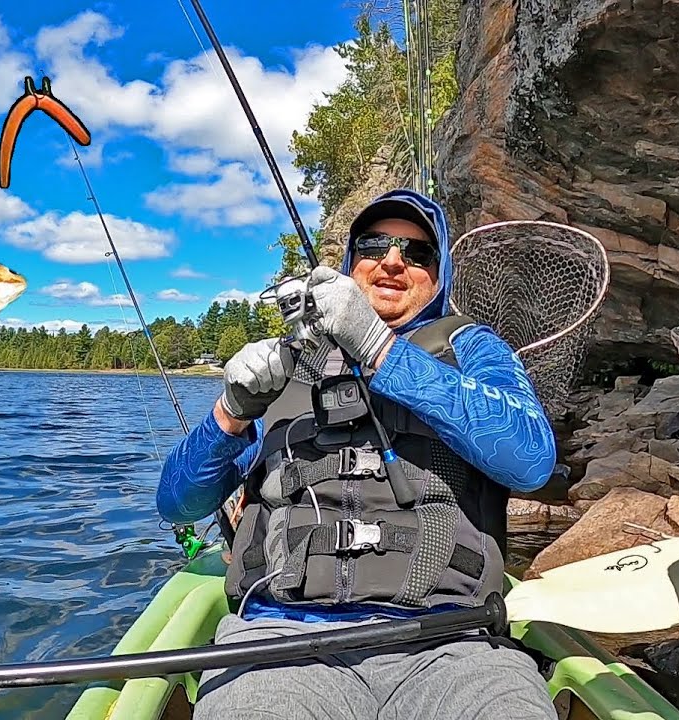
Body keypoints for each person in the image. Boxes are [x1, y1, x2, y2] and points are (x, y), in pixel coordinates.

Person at [157, 188, 559, 719]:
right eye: (374, 245)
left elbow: (531, 458)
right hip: (278, 644)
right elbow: (177, 505)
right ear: (350, 266)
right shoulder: (285, 364)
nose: (393, 261)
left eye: (417, 253)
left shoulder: (472, 348)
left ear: (439, 276)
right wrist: (230, 413)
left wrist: (380, 351)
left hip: (452, 645)